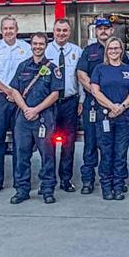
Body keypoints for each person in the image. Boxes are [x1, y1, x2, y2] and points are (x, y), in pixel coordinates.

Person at [7, 33, 62, 204]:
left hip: (44, 117)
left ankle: (47, 190)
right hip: (23, 118)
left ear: (46, 46)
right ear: (30, 45)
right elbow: (14, 90)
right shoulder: (22, 66)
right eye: (35, 44)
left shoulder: (53, 68)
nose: (38, 47)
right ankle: (22, 190)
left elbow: (55, 94)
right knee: (21, 155)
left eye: (41, 44)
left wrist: (36, 109)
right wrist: (25, 109)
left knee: (47, 155)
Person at [0, 16, 33, 194]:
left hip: (20, 99)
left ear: (17, 30)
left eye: (12, 28)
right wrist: (8, 91)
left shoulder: (26, 49)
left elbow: (30, 74)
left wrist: (18, 94)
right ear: (1, 30)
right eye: (5, 28)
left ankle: (20, 181)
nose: (9, 31)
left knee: (20, 141)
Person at [89, 37, 129, 200]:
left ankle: (118, 186)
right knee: (106, 152)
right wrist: (112, 106)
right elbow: (96, 92)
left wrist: (122, 107)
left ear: (121, 50)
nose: (113, 51)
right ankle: (106, 186)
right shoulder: (99, 69)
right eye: (110, 48)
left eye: (116, 48)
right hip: (105, 116)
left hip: (123, 117)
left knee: (120, 153)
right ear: (106, 51)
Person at [75, 17, 114, 194]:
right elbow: (81, 75)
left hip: (113, 106)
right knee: (90, 144)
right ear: (95, 31)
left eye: (106, 28)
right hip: (92, 105)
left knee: (109, 145)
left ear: (112, 30)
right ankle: (88, 181)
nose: (103, 31)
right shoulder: (88, 51)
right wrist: (97, 92)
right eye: (100, 28)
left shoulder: (118, 49)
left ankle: (111, 179)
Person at [46, 19, 82, 193]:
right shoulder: (44, 50)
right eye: (58, 30)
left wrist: (81, 100)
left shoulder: (77, 51)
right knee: (48, 142)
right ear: (53, 31)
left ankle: (66, 179)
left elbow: (80, 78)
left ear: (70, 32)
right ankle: (49, 179)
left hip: (70, 101)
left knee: (68, 143)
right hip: (49, 104)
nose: (61, 33)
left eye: (65, 31)